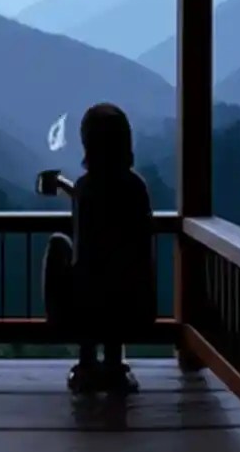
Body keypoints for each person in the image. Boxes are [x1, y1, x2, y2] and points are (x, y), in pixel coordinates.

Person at [42, 103, 155, 393]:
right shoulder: (136, 188)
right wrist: (67, 187)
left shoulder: (87, 189)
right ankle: (115, 363)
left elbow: (85, 246)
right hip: (134, 305)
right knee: (120, 269)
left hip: (87, 305)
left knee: (61, 246)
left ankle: (87, 360)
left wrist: (66, 187)